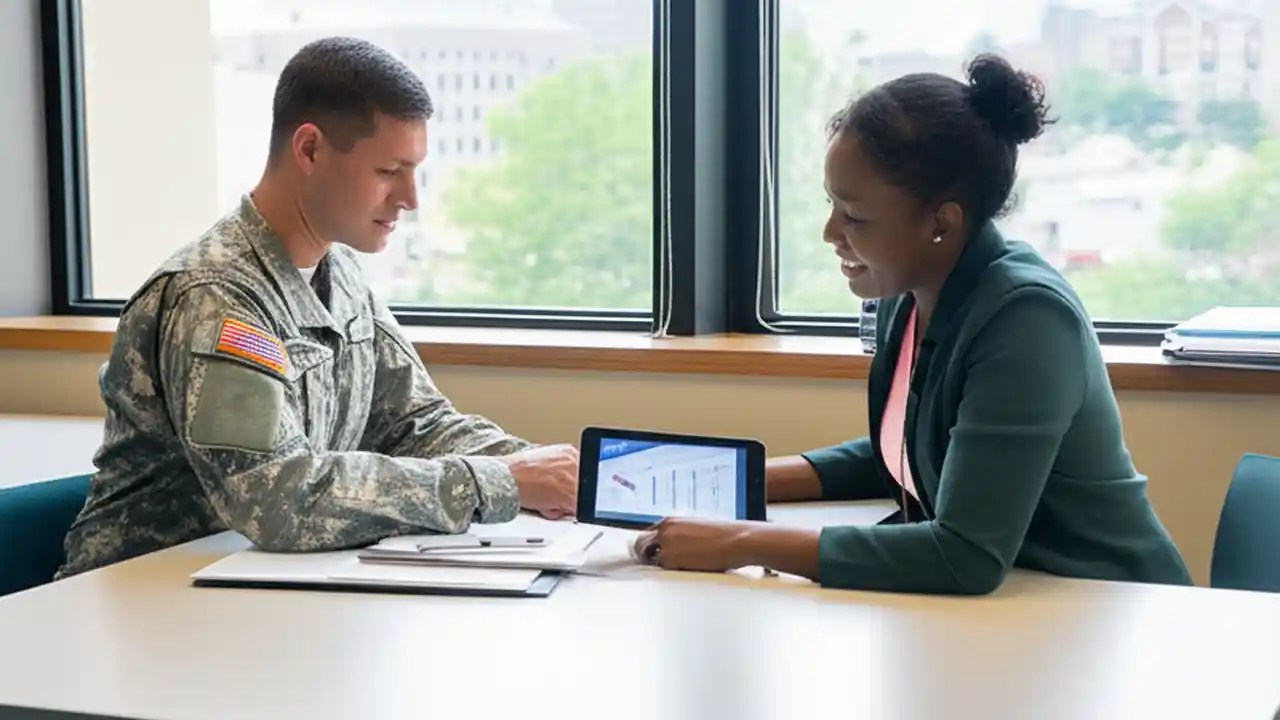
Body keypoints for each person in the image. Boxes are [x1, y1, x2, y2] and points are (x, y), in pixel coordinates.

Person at [634, 55, 1191, 594]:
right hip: (1023, 610)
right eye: (832, 205)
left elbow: (965, 555)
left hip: (1114, 612)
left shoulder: (1027, 319)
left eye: (855, 215)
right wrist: (726, 483)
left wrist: (742, 541)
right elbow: (907, 455)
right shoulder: (916, 292)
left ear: (941, 223)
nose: (831, 232)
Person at [57, 37, 578, 578]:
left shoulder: (341, 276)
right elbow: (278, 496)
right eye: (388, 171)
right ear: (309, 150)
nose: (411, 197)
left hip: (246, 592)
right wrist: (496, 483)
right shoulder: (216, 296)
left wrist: (555, 474)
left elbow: (416, 424)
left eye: (414, 170)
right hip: (139, 603)